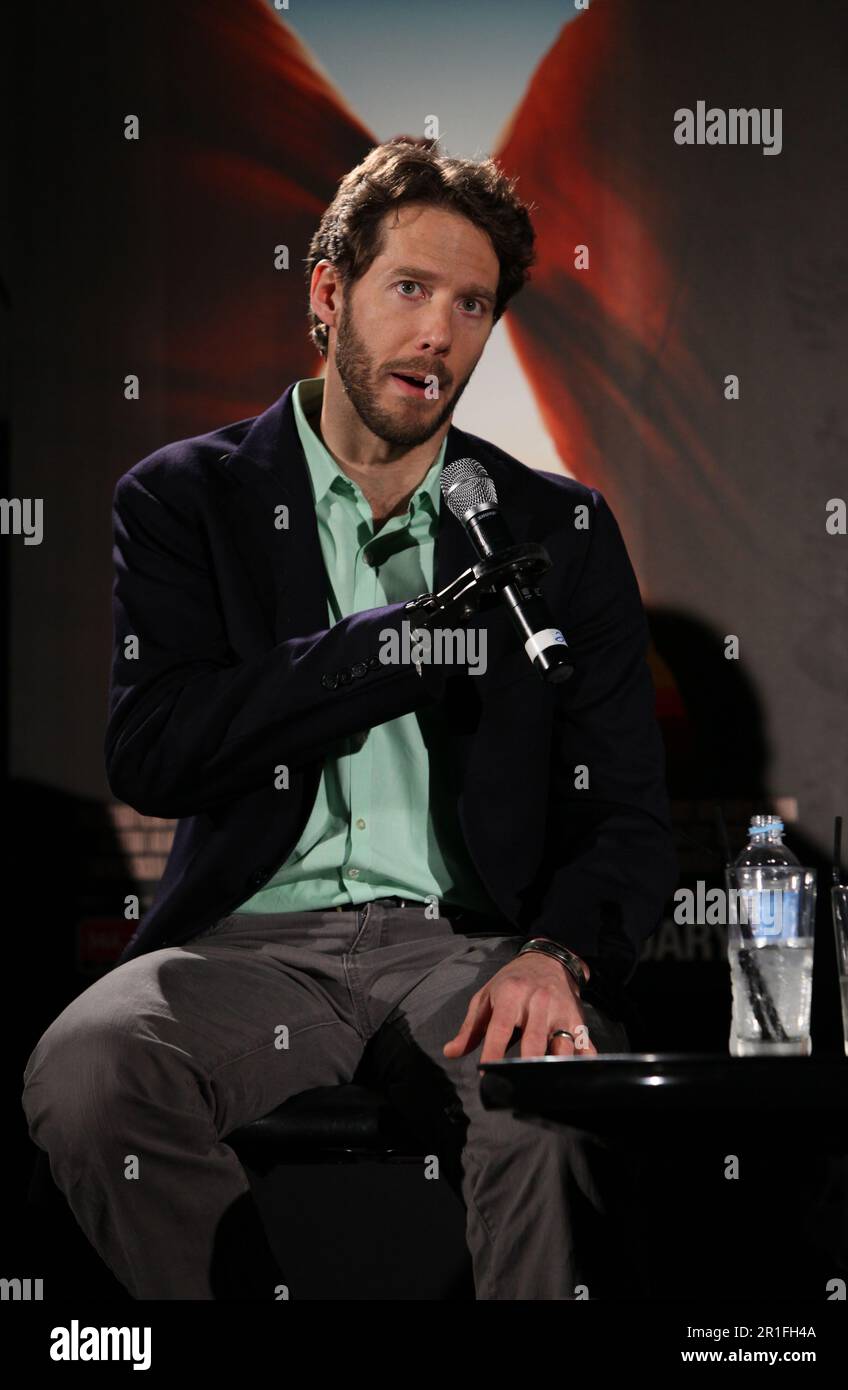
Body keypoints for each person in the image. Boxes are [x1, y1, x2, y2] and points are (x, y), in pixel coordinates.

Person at [22, 136, 678, 1300]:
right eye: (411, 289)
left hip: (468, 950)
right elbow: (156, 750)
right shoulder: (187, 498)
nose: (439, 333)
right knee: (88, 1069)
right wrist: (382, 648)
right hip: (245, 951)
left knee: (551, 1110)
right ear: (329, 294)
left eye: (472, 304)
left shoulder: (551, 530)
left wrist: (554, 953)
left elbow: (625, 812)